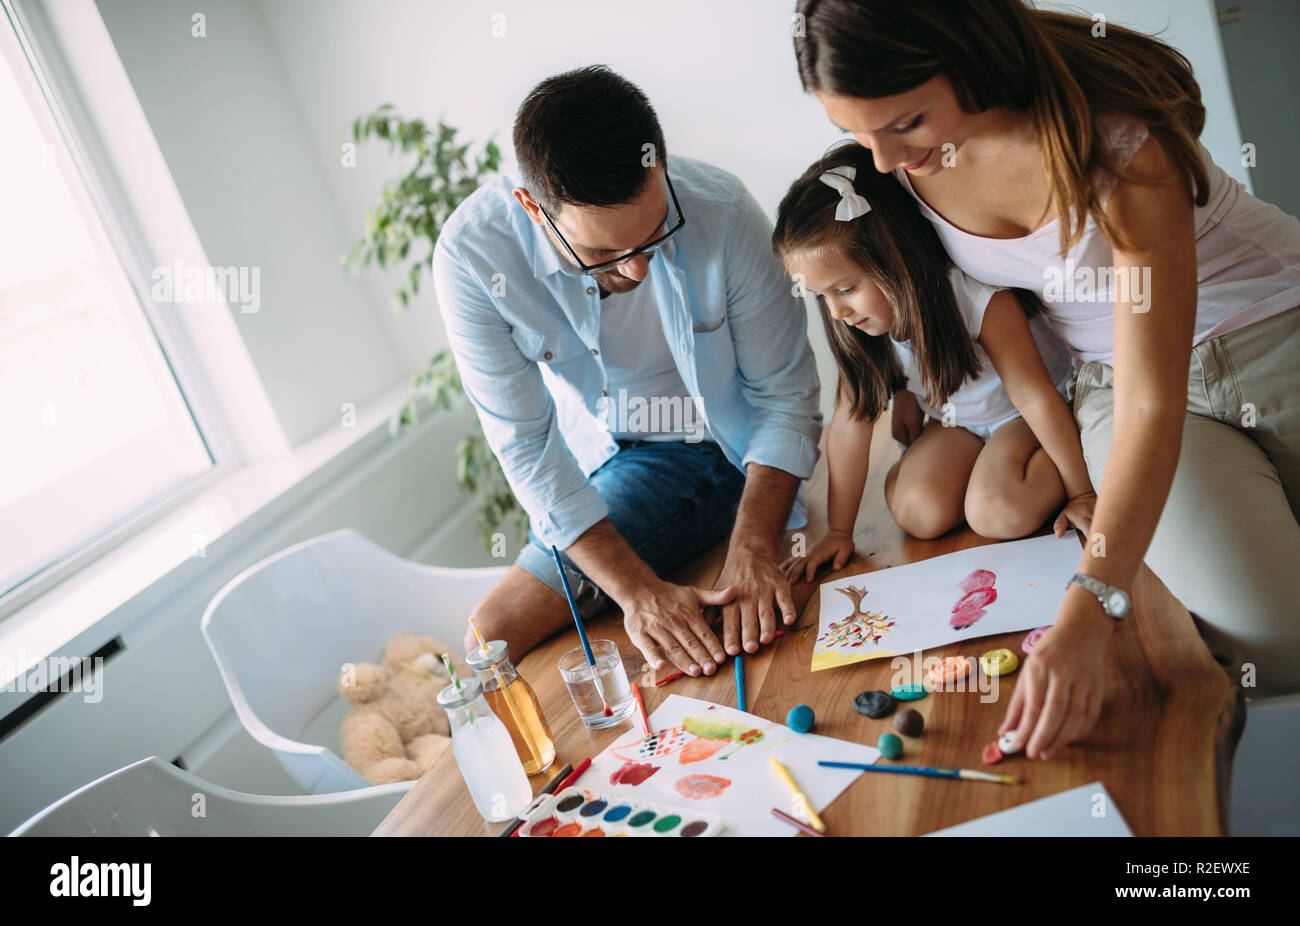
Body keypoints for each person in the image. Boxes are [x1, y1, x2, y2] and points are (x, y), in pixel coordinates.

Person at [793, 0, 1300, 759]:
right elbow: (864, 280)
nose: (885, 161)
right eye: (857, 133)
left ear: (965, 53)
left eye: (904, 125)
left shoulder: (1117, 143)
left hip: (1273, 327)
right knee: (1276, 642)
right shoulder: (893, 177)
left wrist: (1088, 610)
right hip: (1115, 385)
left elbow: (1156, 397)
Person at [433, 65, 822, 678]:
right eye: (601, 253)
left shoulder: (722, 210)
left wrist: (753, 550)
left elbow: (785, 398)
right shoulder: (471, 257)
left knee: (498, 630)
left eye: (653, 233)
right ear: (532, 208)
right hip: (595, 459)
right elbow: (527, 449)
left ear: (660, 167)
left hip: (713, 449)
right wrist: (637, 593)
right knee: (489, 635)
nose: (636, 270)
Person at [772, 143, 1093, 587]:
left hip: (1027, 414)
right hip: (957, 423)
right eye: (820, 296)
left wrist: (1082, 493)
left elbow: (1032, 394)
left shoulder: (975, 297)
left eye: (844, 289)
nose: (836, 313)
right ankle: (977, 467)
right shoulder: (860, 326)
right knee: (916, 512)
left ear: (894, 258)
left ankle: (1075, 459)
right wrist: (838, 532)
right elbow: (850, 424)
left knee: (998, 510)